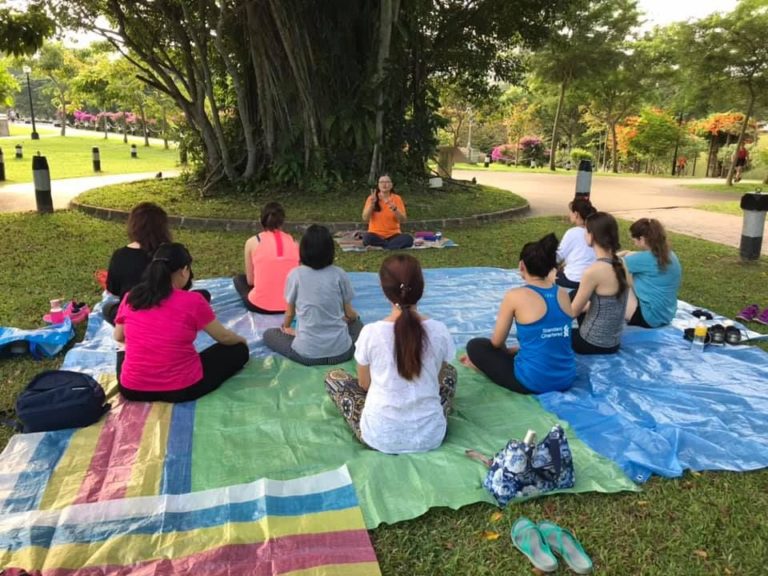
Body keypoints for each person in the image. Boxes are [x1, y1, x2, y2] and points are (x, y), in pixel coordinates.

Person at [325, 254, 457, 454]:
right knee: (450, 374)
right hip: (430, 435)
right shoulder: (440, 330)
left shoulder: (371, 333)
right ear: (421, 286)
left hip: (380, 436)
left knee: (333, 378)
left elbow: (364, 385)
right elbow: (437, 383)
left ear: (384, 289)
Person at [114, 243, 249, 403]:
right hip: (182, 389)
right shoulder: (193, 301)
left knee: (123, 350)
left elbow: (118, 336)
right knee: (238, 350)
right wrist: (242, 341)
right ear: (184, 270)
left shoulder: (131, 297)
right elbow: (224, 337)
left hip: (132, 389)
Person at [463, 233, 575, 394]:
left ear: (521, 265)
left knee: (476, 345)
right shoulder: (563, 293)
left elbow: (496, 343)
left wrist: (504, 353)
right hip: (566, 378)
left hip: (532, 382)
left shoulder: (514, 296)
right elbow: (554, 338)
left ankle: (481, 366)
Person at [263, 225, 363, 365]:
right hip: (342, 352)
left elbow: (290, 313)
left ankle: (300, 337)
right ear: (330, 251)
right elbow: (349, 313)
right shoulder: (339, 274)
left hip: (307, 354)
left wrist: (286, 328)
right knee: (357, 323)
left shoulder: (295, 275)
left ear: (304, 250)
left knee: (269, 334)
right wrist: (352, 318)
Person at [103, 202, 173, 325]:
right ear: (163, 228)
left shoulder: (120, 255)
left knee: (107, 307)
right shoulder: (171, 252)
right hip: (168, 311)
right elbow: (183, 286)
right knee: (201, 296)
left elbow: (113, 290)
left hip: (132, 313)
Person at [570, 213, 628, 354]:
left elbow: (571, 313)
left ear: (591, 236)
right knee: (574, 293)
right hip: (613, 343)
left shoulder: (593, 272)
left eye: (586, 231)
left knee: (550, 336)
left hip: (591, 343)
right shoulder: (622, 264)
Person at [233, 202, 299, 313]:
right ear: (282, 221)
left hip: (259, 305)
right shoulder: (294, 243)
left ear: (261, 220)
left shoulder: (252, 242)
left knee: (239, 279)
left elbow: (250, 281)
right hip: (291, 305)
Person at [620, 218, 682, 328]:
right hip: (666, 315)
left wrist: (621, 255)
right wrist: (626, 253)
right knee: (628, 269)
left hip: (648, 318)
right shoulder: (670, 255)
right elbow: (632, 255)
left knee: (616, 279)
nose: (634, 244)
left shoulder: (645, 259)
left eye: (634, 240)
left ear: (642, 239)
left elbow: (609, 264)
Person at [361, 174, 414, 250]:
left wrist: (395, 209)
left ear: (391, 185)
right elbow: (365, 218)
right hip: (375, 235)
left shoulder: (397, 198)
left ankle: (382, 247)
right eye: (381, 182)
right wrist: (372, 205)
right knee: (367, 238)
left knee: (408, 239)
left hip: (393, 235)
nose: (384, 184)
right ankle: (389, 246)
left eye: (387, 182)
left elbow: (403, 220)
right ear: (378, 185)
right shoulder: (372, 198)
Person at [555, 198, 597, 291]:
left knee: (547, 274)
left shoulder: (573, 232)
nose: (569, 214)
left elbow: (558, 257)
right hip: (593, 279)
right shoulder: (598, 230)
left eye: (570, 211)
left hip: (574, 279)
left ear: (576, 214)